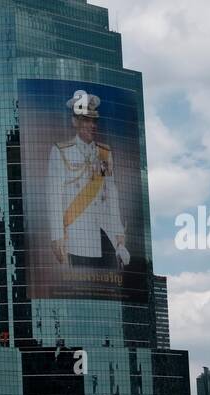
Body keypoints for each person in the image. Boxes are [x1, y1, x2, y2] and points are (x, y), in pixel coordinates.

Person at [47, 90, 130, 270]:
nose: (91, 125)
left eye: (94, 120)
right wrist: (57, 236)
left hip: (104, 234)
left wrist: (119, 236)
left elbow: (111, 196)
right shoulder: (61, 151)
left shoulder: (104, 153)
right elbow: (54, 196)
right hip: (76, 236)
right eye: (86, 120)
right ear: (74, 122)